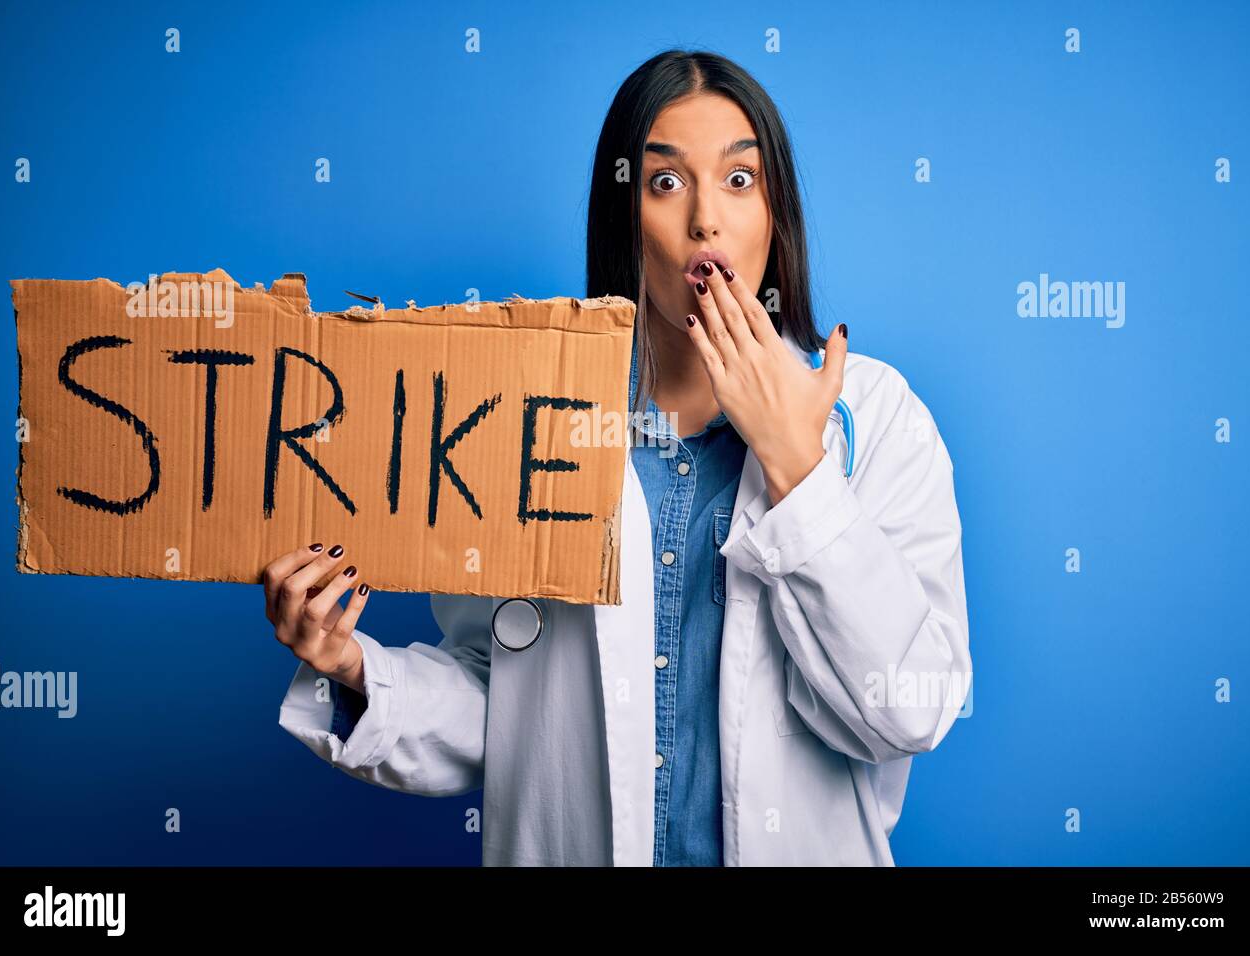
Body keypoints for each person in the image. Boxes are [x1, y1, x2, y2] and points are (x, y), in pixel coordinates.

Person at [266, 49, 972, 866]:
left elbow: (909, 712)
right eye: (666, 183)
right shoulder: (528, 420)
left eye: (739, 180)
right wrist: (349, 666)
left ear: (776, 212)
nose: (706, 218)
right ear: (623, 214)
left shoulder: (880, 421)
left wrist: (797, 468)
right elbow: (502, 702)